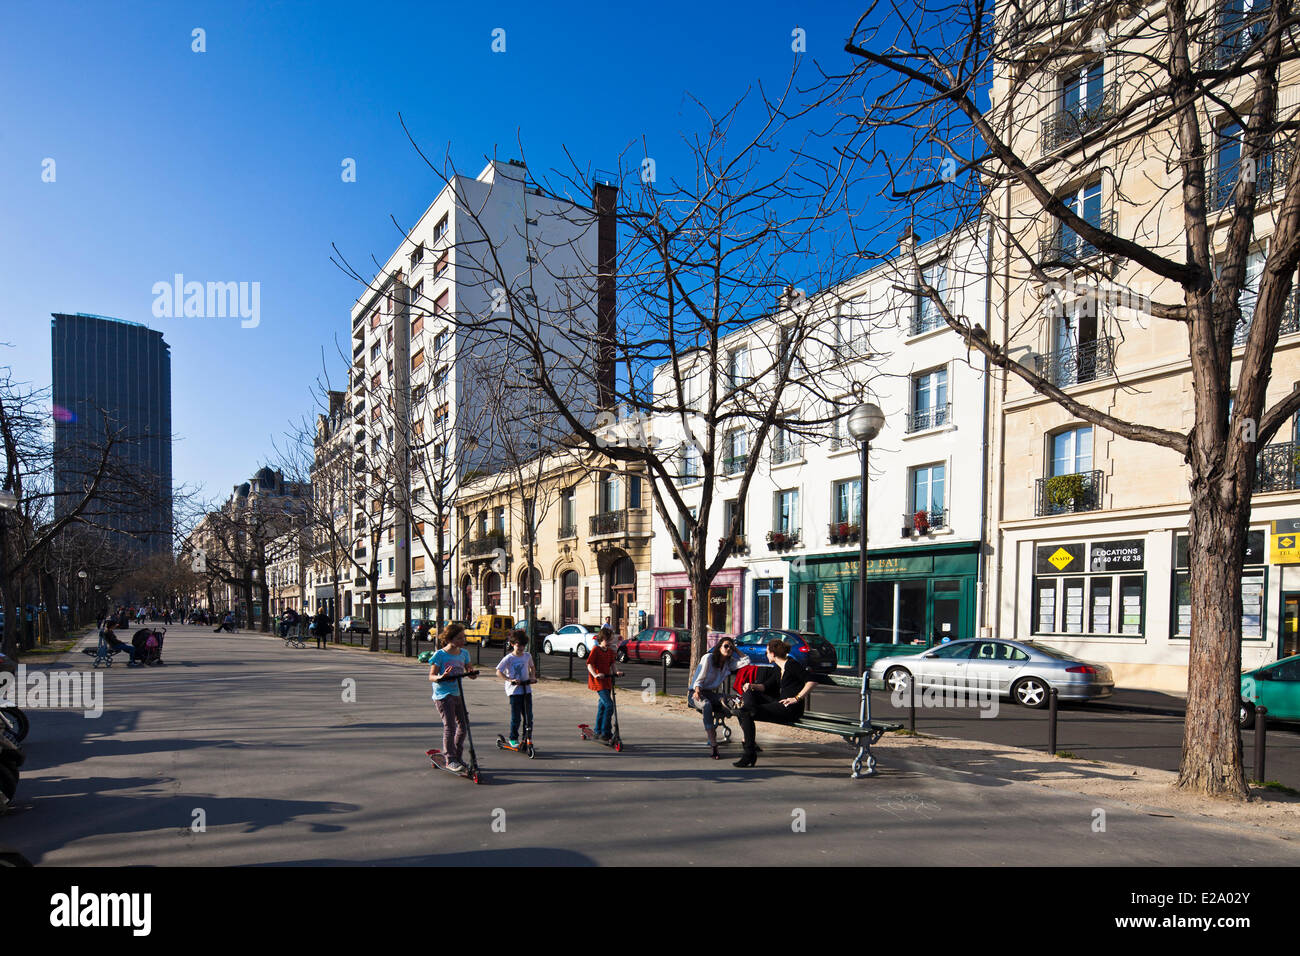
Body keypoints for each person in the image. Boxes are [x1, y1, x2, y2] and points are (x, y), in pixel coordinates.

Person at [733, 638, 818, 768]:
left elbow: (812, 680)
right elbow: (766, 686)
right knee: (749, 696)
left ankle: (749, 754)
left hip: (790, 708)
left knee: (745, 713)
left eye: (767, 652)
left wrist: (797, 698)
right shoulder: (779, 668)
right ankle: (748, 709)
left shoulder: (791, 665)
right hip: (780, 703)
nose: (766, 655)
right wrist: (751, 685)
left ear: (773, 654)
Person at [690, 637, 751, 759]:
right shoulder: (708, 658)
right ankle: (714, 745)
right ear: (719, 647)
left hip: (712, 695)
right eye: (726, 646)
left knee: (737, 702)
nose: (728, 649)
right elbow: (698, 679)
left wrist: (735, 648)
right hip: (696, 693)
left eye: (731, 647)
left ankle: (748, 740)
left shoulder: (729, 663)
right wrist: (697, 692)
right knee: (706, 705)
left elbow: (746, 660)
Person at [429, 624, 478, 773]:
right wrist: (441, 677)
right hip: (443, 695)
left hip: (457, 693)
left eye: (463, 637)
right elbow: (431, 676)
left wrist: (472, 673)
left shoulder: (464, 654)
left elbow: (470, 672)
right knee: (450, 726)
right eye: (459, 638)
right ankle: (450, 759)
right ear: (450, 639)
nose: (463, 640)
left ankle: (457, 756)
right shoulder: (440, 655)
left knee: (464, 725)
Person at [495, 630, 536, 747]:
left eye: (523, 645)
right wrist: (510, 680)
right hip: (514, 691)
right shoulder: (509, 658)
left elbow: (532, 667)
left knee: (529, 717)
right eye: (519, 645)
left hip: (526, 689)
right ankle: (513, 737)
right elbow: (498, 672)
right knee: (516, 717)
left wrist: (533, 677)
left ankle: (526, 738)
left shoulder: (527, 656)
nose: (521, 647)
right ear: (513, 644)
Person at [586, 627, 623, 742]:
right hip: (598, 682)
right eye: (607, 640)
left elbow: (612, 664)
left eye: (610, 640)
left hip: (607, 681)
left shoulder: (610, 652)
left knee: (602, 706)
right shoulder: (596, 650)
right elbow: (589, 664)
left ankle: (597, 730)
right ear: (601, 639)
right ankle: (605, 731)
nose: (609, 642)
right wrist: (595, 674)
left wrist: (616, 672)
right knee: (609, 705)